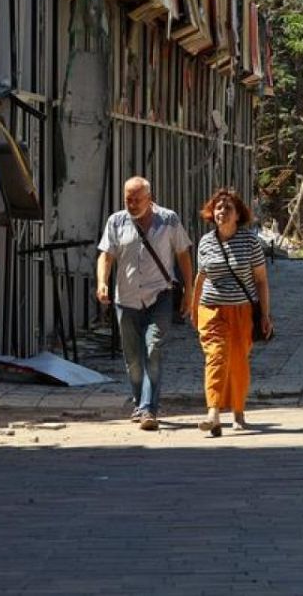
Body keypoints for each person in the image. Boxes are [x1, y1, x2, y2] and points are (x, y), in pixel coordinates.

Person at [96, 176, 194, 431]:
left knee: (153, 350)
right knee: (133, 359)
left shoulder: (169, 219)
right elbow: (106, 256)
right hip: (126, 299)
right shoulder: (116, 221)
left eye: (137, 199)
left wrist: (189, 290)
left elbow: (183, 253)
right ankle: (140, 402)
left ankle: (149, 408)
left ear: (150, 199)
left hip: (159, 296)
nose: (132, 203)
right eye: (128, 199)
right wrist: (102, 282)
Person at [191, 188, 272, 437]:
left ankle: (238, 411)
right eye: (218, 208)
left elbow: (260, 280)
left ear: (238, 215)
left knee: (238, 360)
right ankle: (213, 413)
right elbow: (200, 278)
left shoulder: (250, 242)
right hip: (212, 309)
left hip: (242, 310)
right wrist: (193, 309)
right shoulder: (206, 242)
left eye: (228, 208)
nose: (222, 212)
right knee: (216, 355)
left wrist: (265, 315)